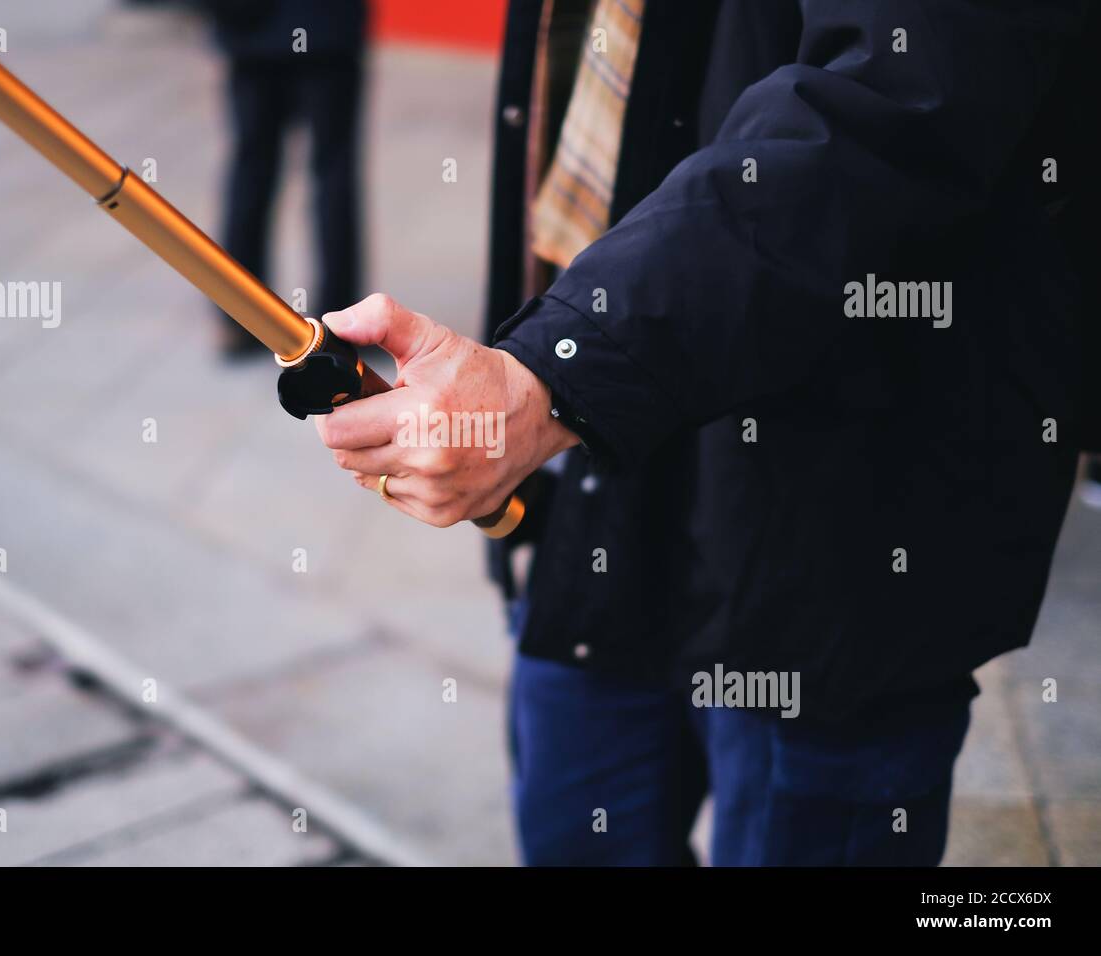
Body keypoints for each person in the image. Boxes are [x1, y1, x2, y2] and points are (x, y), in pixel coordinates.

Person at [313, 0, 1098, 865]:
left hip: (845, 502)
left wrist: (554, 371)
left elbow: (895, 102)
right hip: (604, 458)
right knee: (579, 827)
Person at [203, 0, 367, 357]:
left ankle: (240, 314)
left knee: (252, 167)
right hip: (323, 29)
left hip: (256, 27)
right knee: (332, 172)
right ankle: (341, 322)